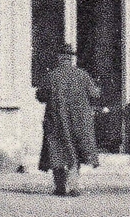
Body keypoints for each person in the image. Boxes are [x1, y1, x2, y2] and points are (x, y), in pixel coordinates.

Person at [37, 45, 101, 196]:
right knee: (75, 153)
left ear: (59, 58)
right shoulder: (82, 75)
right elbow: (94, 95)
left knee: (56, 152)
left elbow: (40, 96)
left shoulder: (51, 76)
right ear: (72, 58)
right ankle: (73, 187)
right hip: (78, 122)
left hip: (56, 121)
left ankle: (59, 187)